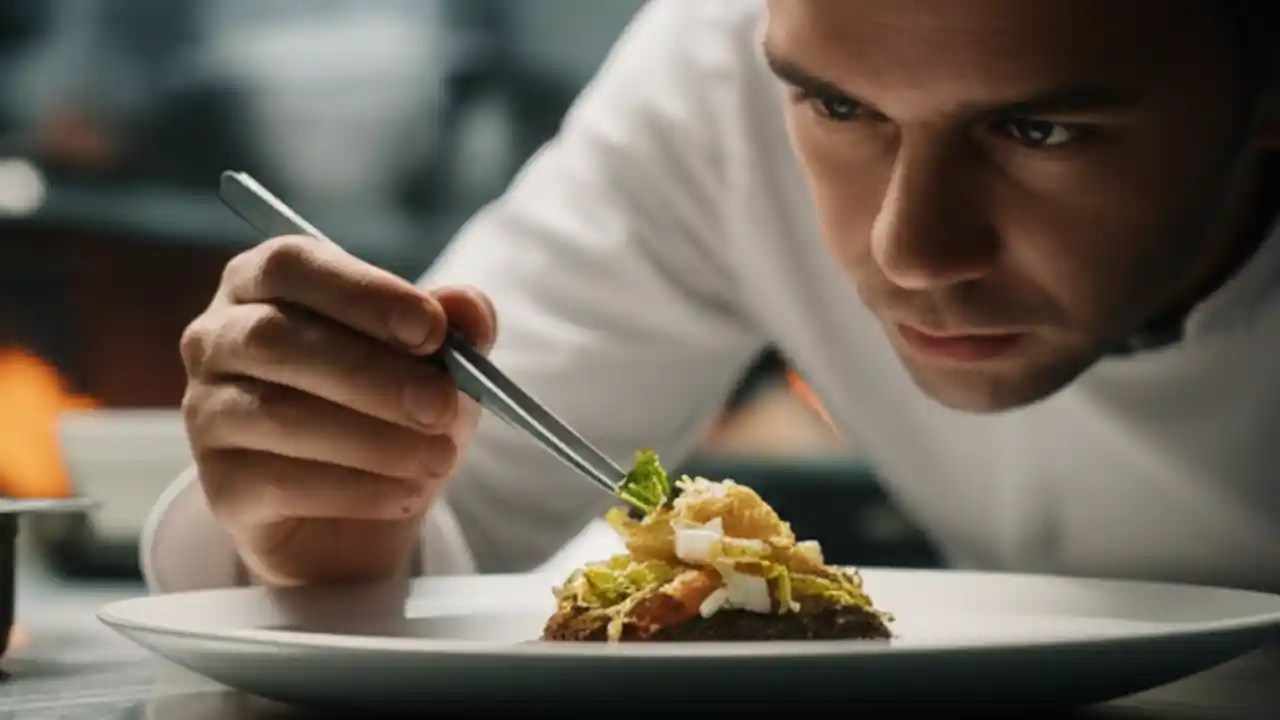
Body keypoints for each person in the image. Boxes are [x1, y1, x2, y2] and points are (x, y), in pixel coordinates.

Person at [141, 0, 1280, 595]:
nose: (911, 251)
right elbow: (426, 508)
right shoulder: (720, 67)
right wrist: (330, 519)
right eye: (836, 110)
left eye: (1040, 131)